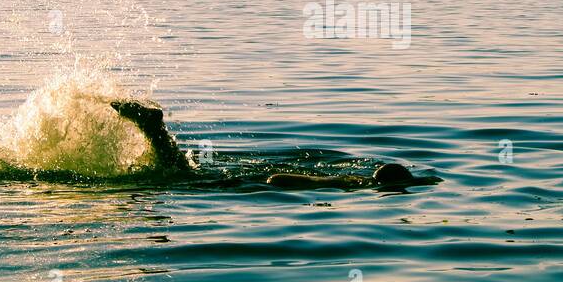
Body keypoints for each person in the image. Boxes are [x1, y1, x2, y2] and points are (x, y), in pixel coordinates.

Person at [110, 100, 436, 190]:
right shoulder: (349, 185)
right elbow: (279, 180)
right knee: (183, 179)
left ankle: (154, 129)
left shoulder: (350, 183)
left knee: (182, 176)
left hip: (265, 181)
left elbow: (280, 179)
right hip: (258, 182)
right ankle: (154, 129)